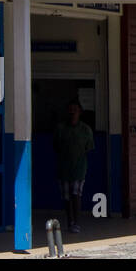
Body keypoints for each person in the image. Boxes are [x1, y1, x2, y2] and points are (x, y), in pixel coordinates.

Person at [53, 99, 94, 234]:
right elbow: (56, 146)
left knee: (76, 194)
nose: (72, 113)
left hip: (79, 168)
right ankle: (69, 221)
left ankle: (76, 222)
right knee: (66, 196)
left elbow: (89, 148)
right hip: (63, 168)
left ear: (80, 112)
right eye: (70, 110)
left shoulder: (85, 130)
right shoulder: (60, 128)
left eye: (75, 110)